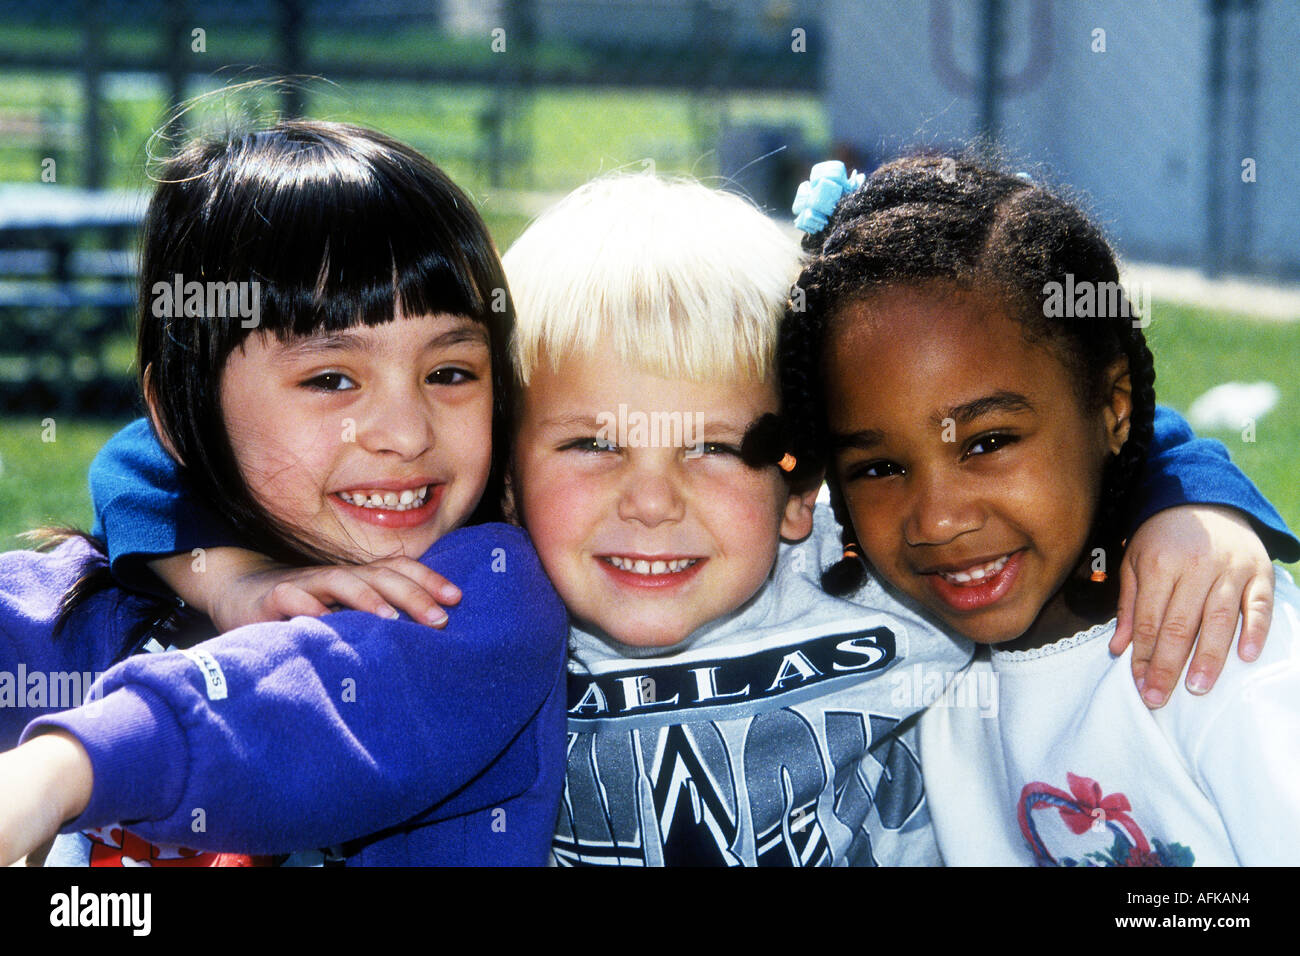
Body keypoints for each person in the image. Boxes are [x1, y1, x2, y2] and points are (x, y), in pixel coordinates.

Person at [5, 172, 1292, 868]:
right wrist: (220, 571)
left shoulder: (865, 557)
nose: (651, 501)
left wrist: (1189, 496)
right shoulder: (494, 584)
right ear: (508, 465)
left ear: (801, 482)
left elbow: (1000, 444)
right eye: (593, 441)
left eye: (719, 448)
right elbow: (181, 445)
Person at [0, 119, 568, 867]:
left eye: (450, 373)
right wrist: (228, 577)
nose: (405, 432)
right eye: (331, 379)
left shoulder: (486, 603)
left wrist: (65, 768)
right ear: (180, 414)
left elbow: (299, 715)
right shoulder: (96, 609)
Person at [778, 155, 1300, 865]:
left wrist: (1192, 497)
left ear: (1114, 410)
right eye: (879, 467)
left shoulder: (1215, 642)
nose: (937, 520)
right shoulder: (905, 652)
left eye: (989, 442)